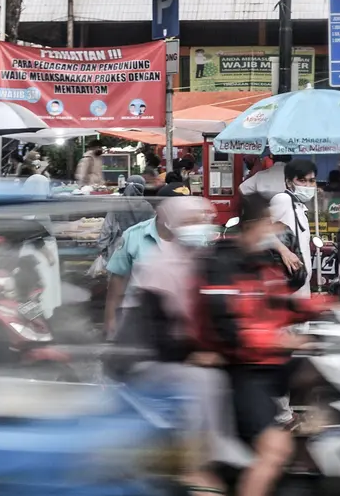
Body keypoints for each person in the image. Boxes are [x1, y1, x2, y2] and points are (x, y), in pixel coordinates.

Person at [199, 196, 337, 496]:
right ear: (253, 225)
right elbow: (231, 330)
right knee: (273, 450)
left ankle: (306, 447)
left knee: (328, 372)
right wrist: (281, 339)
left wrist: (330, 307)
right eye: (269, 222)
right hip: (243, 372)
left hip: (269, 362)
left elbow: (280, 302)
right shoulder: (222, 265)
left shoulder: (259, 262)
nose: (274, 228)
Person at [111, 197, 245, 493]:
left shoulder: (200, 261)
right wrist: (194, 354)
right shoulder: (158, 267)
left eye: (203, 218)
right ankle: (197, 465)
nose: (200, 226)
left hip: (178, 353)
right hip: (146, 359)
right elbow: (156, 330)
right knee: (201, 381)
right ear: (170, 224)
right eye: (189, 221)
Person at [104, 211, 169, 338]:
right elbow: (117, 279)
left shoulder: (191, 236)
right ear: (160, 210)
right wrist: (110, 319)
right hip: (138, 317)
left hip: (179, 320)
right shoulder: (134, 235)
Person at [269, 159, 318, 296]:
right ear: (289, 182)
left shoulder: (299, 205)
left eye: (311, 181)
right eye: (302, 181)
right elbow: (260, 230)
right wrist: (284, 251)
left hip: (300, 281)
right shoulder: (283, 199)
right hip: (288, 281)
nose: (308, 185)